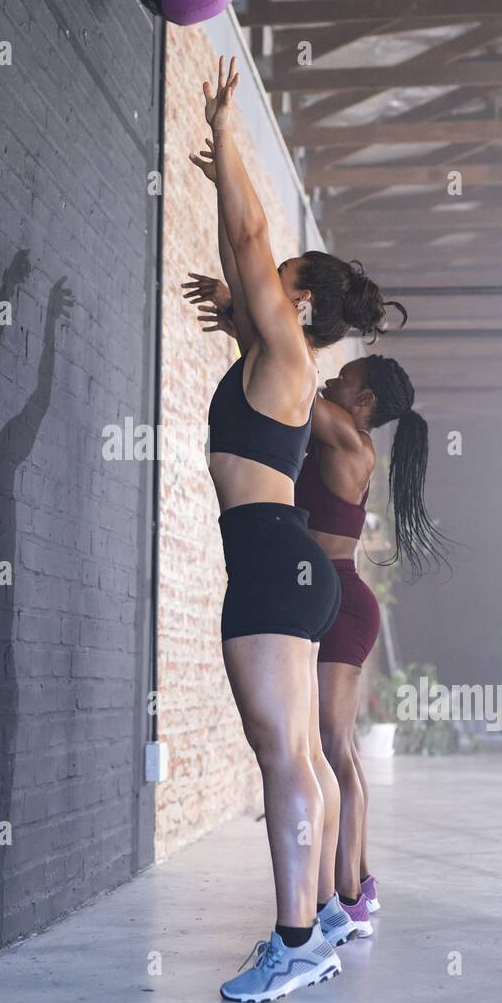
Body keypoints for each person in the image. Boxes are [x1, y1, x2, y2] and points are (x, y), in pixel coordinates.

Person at [192, 59, 398, 1003]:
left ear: (300, 304)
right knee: (304, 755)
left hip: (274, 565)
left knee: (285, 756)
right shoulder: (272, 358)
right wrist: (235, 297)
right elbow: (241, 259)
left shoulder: (283, 352)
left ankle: (294, 939)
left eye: (279, 285)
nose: (263, 284)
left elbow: (247, 233)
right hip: (290, 568)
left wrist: (227, 132)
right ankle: (311, 924)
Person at [187, 266, 448, 946]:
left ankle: (351, 892)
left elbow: (291, 372)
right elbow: (277, 374)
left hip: (334, 596)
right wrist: (241, 320)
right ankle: (343, 893)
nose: (333, 378)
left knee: (331, 746)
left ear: (361, 404)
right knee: (326, 750)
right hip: (324, 590)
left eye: (346, 382)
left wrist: (238, 310)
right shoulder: (337, 426)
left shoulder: (348, 438)